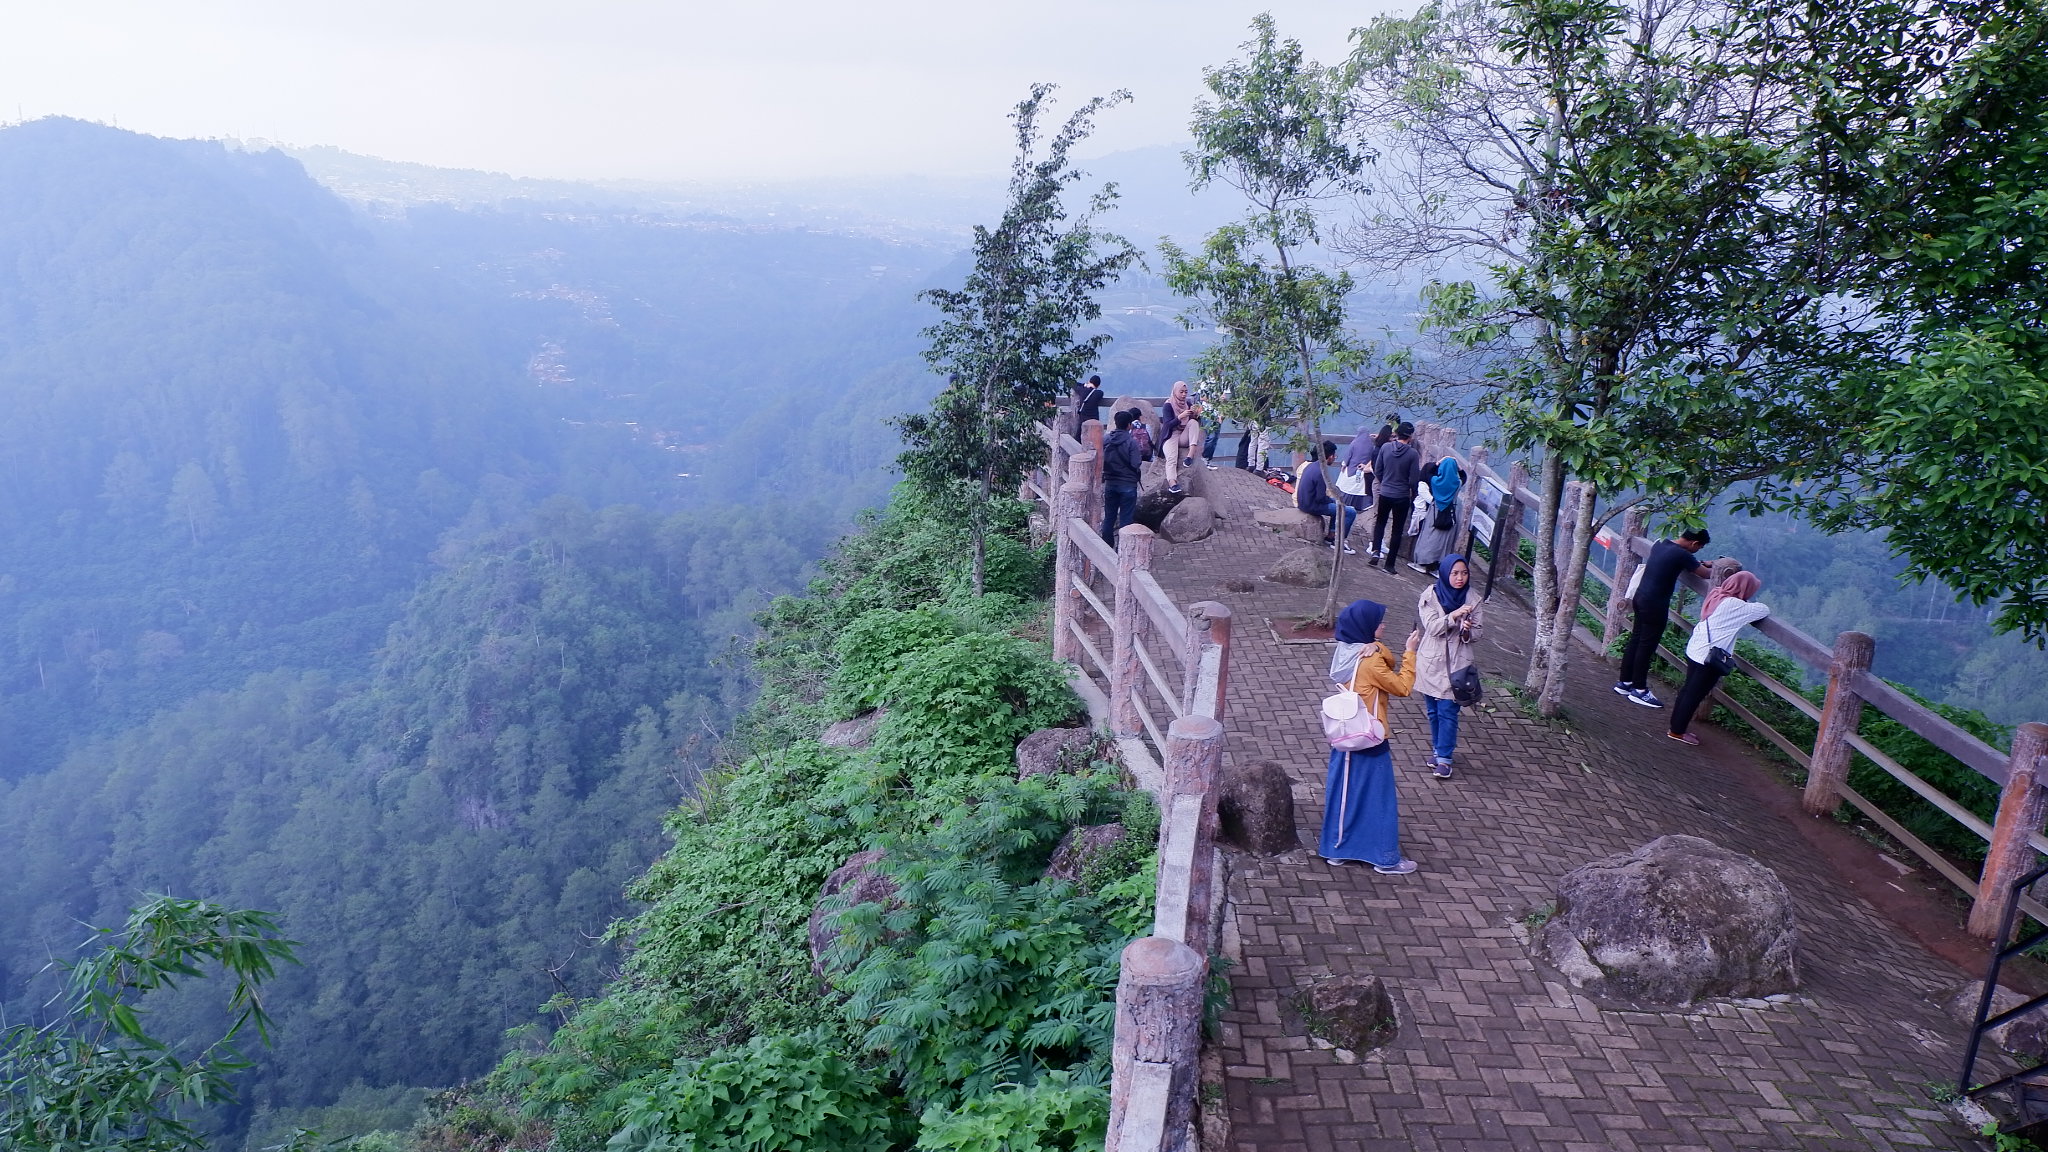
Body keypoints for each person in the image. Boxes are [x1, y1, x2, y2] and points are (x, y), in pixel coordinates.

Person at [1322, 599, 1422, 873]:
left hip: (1345, 736)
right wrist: (1410, 652)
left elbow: (1380, 658)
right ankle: (1384, 859)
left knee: (1344, 793)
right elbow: (1402, 687)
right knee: (1379, 799)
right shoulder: (1371, 661)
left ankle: (1337, 850)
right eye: (1379, 622)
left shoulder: (1346, 651)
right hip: (1370, 737)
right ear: (1365, 627)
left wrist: (1377, 645)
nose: (1383, 625)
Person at [1613, 527, 1713, 708]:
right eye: (1699, 547)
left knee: (1636, 639)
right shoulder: (1682, 555)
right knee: (1647, 646)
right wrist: (1716, 566)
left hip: (1640, 597)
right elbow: (1705, 574)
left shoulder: (1661, 544)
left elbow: (1680, 563)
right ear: (1694, 543)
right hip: (1655, 605)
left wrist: (1700, 562)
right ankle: (1640, 690)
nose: (1698, 550)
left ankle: (1625, 682)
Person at [1669, 571, 1769, 745]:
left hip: (1696, 647)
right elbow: (1763, 609)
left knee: (1688, 690)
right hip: (1708, 656)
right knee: (1694, 695)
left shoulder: (1717, 593)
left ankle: (1676, 726)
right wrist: (1744, 601)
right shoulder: (1734, 604)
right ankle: (1677, 731)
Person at [1413, 555, 1482, 778]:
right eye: (1455, 573)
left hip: (1457, 665)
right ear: (1445, 574)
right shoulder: (1430, 595)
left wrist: (1467, 631)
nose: (1460, 578)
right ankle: (1437, 749)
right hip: (1431, 662)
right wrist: (1453, 616)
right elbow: (1432, 628)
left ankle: (1444, 758)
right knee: (1433, 711)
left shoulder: (1473, 599)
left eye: (1464, 573)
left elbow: (1478, 633)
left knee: (1448, 711)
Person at [1369, 422, 1422, 569]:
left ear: (1397, 433)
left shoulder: (1385, 448)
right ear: (1410, 437)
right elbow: (1413, 479)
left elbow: (1378, 469)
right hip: (1402, 496)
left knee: (1380, 523)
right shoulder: (1413, 454)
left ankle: (1375, 551)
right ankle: (1389, 564)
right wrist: (1412, 493)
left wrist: (1385, 482)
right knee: (1397, 530)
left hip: (1385, 492)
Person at [1295, 441, 1357, 550]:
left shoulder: (1312, 466)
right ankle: (1339, 542)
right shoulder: (1321, 472)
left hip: (1304, 502)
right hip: (1311, 505)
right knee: (1350, 512)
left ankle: (1331, 536)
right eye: (1334, 456)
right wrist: (1332, 500)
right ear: (1330, 457)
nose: (1334, 458)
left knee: (1337, 504)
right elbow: (1320, 498)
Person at [1409, 454, 1464, 575]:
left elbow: (1428, 472)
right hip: (1450, 514)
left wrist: (1439, 462)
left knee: (1429, 537)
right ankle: (1438, 568)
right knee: (1445, 541)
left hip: (1434, 512)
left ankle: (1423, 564)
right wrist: (1458, 466)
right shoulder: (1457, 483)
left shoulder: (1435, 481)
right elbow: (1464, 476)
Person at [1098, 409, 1143, 543]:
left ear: (1115, 423)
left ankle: (1106, 546)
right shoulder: (1131, 442)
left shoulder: (1106, 439)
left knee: (1109, 517)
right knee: (1126, 519)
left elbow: (1100, 458)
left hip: (1110, 483)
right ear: (1129, 425)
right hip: (1128, 484)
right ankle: (1123, 548)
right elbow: (1136, 463)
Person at [1160, 380, 1204, 494]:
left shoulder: (1187, 404)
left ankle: (1190, 455)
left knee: (1193, 423)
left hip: (1183, 434)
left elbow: (1192, 421)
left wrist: (1196, 414)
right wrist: (1180, 417)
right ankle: (1172, 483)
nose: (1184, 394)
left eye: (1185, 392)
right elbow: (1167, 425)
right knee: (1171, 458)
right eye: (1181, 392)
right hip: (1171, 435)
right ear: (1175, 392)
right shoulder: (1168, 405)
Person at [1069, 375, 1105, 441]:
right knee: (1093, 439)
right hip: (1094, 419)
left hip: (1083, 418)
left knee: (1078, 438)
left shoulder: (1082, 390)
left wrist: (1084, 385)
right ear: (1098, 385)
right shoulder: (1099, 393)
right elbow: (1100, 393)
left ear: (1089, 381)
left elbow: (1073, 383)